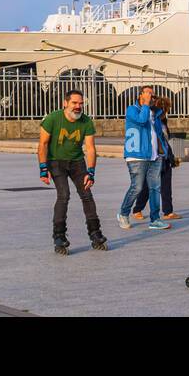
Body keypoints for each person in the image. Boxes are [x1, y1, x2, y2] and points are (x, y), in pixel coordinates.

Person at [38, 89, 109, 253]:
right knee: (64, 195)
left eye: (81, 103)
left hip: (77, 162)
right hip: (56, 161)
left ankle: (95, 233)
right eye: (74, 103)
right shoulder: (53, 118)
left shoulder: (86, 121)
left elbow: (91, 148)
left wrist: (91, 172)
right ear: (65, 103)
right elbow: (42, 144)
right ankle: (59, 236)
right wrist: (43, 168)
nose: (78, 107)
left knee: (87, 194)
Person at [118, 86, 169, 231]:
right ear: (140, 95)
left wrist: (163, 151)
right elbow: (141, 121)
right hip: (137, 155)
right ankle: (123, 213)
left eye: (152, 96)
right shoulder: (132, 109)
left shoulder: (155, 113)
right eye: (147, 94)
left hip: (154, 156)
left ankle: (155, 219)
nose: (151, 98)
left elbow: (158, 134)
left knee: (155, 188)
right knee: (137, 187)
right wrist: (146, 104)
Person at [133, 95, 181, 221]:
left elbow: (165, 142)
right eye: (165, 109)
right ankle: (137, 209)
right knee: (148, 187)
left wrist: (171, 157)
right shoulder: (151, 123)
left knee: (166, 186)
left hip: (164, 158)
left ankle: (168, 212)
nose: (166, 112)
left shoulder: (164, 122)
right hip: (153, 159)